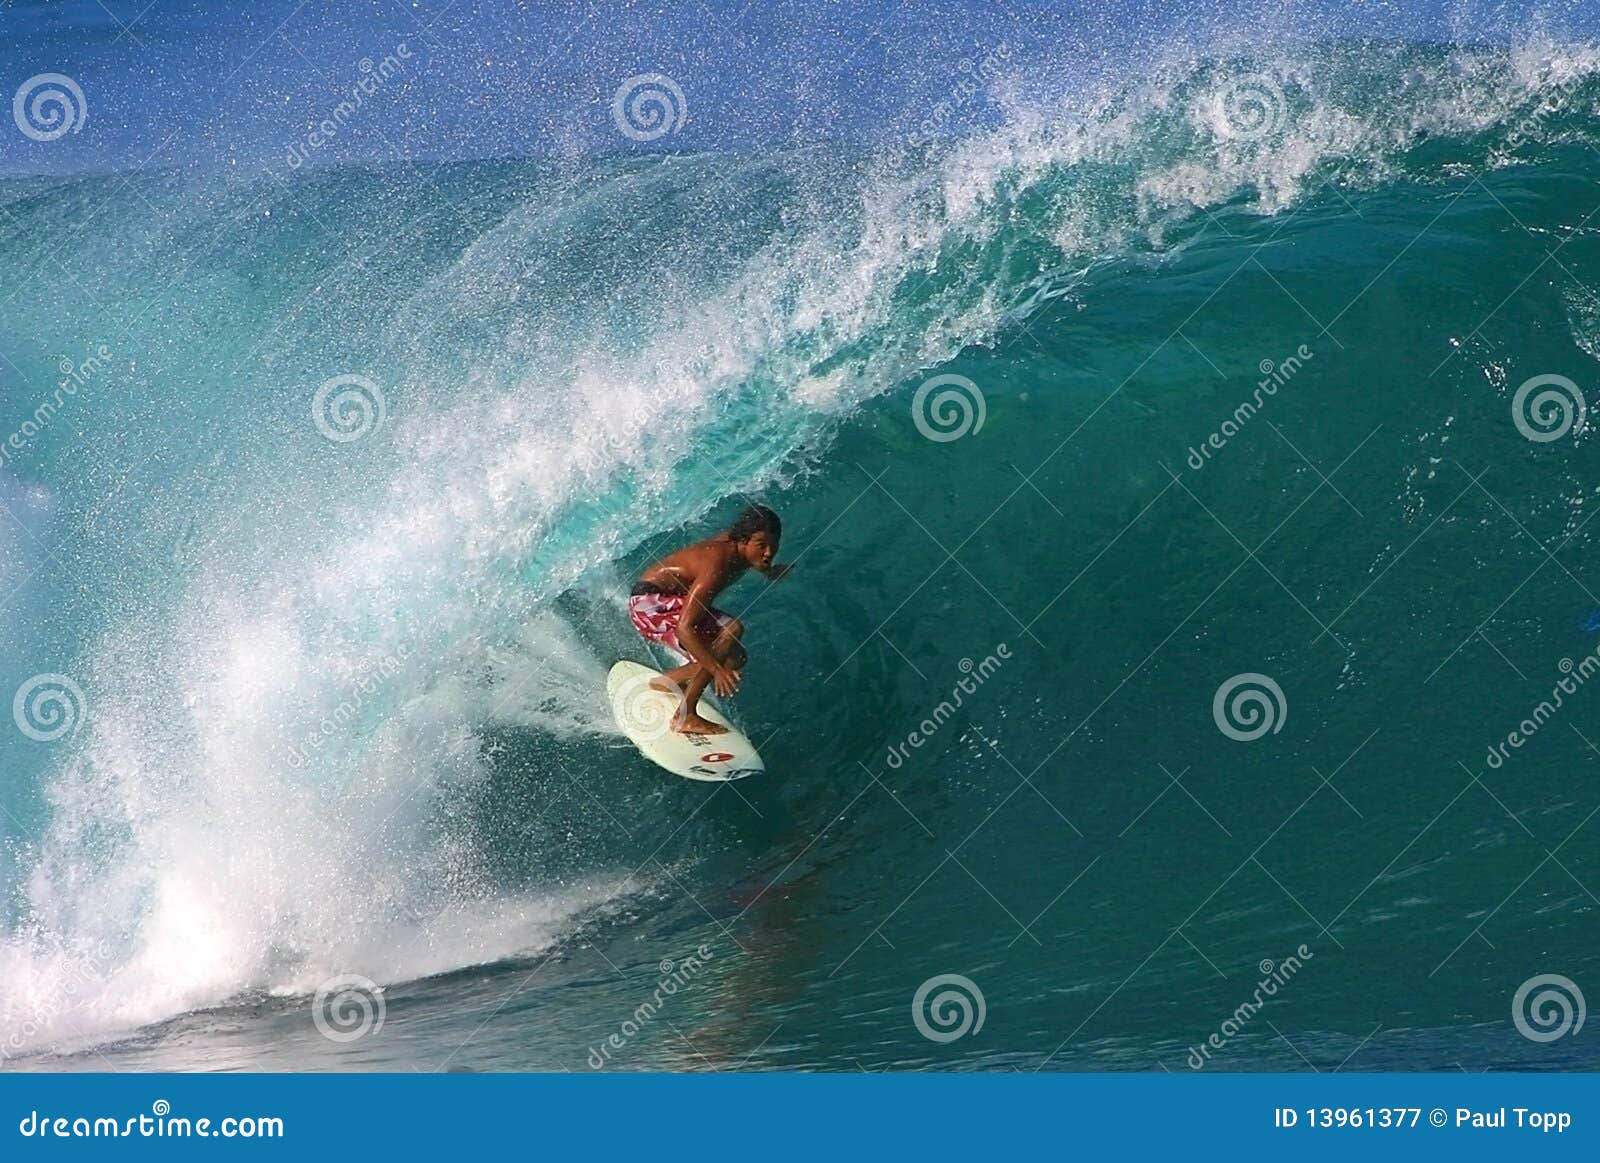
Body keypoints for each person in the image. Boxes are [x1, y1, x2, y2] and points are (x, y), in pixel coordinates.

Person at [628, 504, 790, 734]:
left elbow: (753, 556)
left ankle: (667, 682)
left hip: (663, 601)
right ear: (743, 541)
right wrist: (715, 670)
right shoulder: (717, 564)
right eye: (761, 545)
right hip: (650, 606)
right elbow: (684, 628)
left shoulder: (736, 545)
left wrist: (768, 571)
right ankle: (685, 716)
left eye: (774, 546)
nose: (768, 553)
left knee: (735, 657)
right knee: (732, 629)